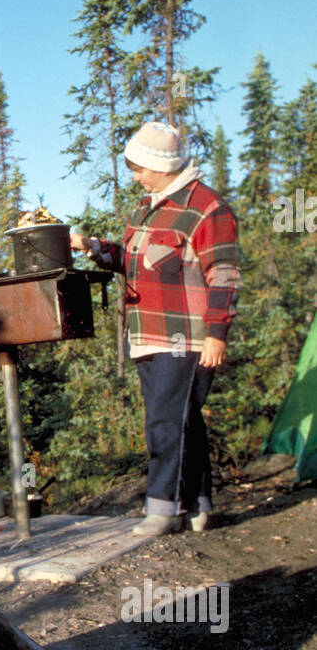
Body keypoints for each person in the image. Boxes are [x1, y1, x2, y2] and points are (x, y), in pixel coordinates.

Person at [70, 120, 242, 537]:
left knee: (164, 422)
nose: (134, 175)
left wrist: (217, 332)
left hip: (187, 337)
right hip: (147, 335)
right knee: (185, 421)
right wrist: (94, 248)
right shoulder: (149, 205)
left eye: (138, 167)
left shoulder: (206, 208)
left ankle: (163, 510)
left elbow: (224, 274)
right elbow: (134, 262)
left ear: (160, 165)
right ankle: (199, 505)